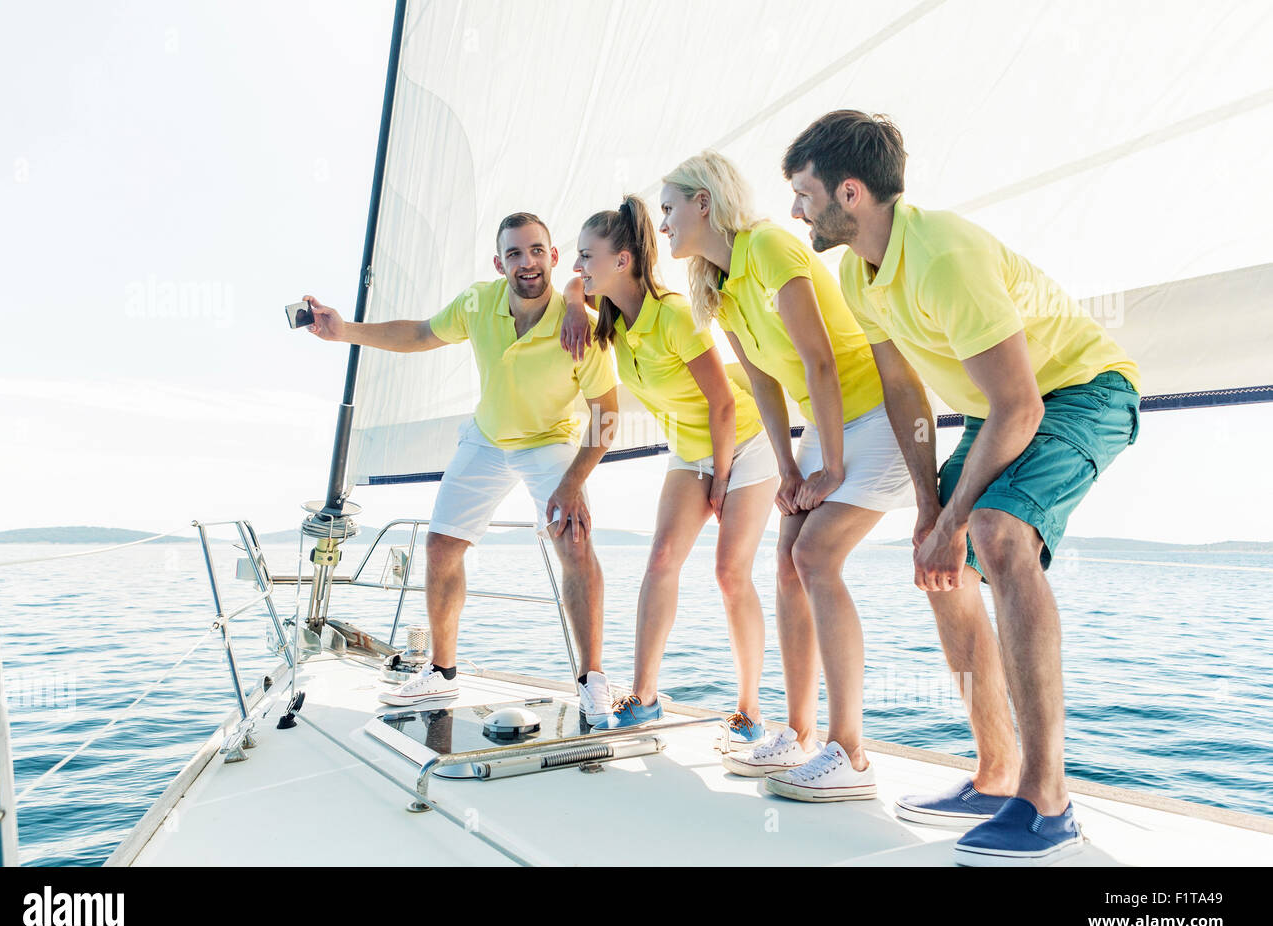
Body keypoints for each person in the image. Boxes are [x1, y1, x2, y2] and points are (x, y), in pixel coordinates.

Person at [783, 109, 1141, 864]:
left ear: (851, 193)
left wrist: (957, 521)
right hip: (997, 409)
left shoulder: (942, 257)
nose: (797, 210)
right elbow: (903, 392)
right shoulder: (857, 272)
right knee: (939, 562)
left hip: (1081, 389)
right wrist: (926, 508)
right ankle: (995, 771)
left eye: (804, 193)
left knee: (996, 536)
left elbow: (1023, 407)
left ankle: (1047, 803)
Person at [659, 151, 914, 799]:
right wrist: (786, 469)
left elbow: (819, 361)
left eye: (669, 209)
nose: (662, 225)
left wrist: (828, 467)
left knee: (815, 555)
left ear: (704, 203)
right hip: (822, 427)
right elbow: (766, 385)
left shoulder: (769, 246)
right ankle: (798, 733)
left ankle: (850, 755)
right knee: (786, 558)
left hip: (877, 417)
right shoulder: (716, 283)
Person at [304, 212, 620, 725]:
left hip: (551, 443)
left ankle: (593, 680)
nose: (527, 263)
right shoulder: (478, 302)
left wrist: (574, 483)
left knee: (575, 539)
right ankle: (440, 674)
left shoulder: (578, 321)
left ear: (554, 256)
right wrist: (344, 332)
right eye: (515, 254)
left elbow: (606, 416)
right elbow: (422, 333)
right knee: (441, 545)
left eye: (537, 251)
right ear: (500, 264)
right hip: (489, 438)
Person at [565, 195, 776, 745]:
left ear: (624, 260)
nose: (579, 266)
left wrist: (723, 479)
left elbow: (724, 403)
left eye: (587, 256)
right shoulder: (614, 322)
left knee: (731, 573)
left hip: (746, 443)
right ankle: (645, 697)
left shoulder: (677, 314)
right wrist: (571, 297)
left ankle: (750, 710)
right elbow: (566, 290)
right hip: (689, 450)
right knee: (660, 559)